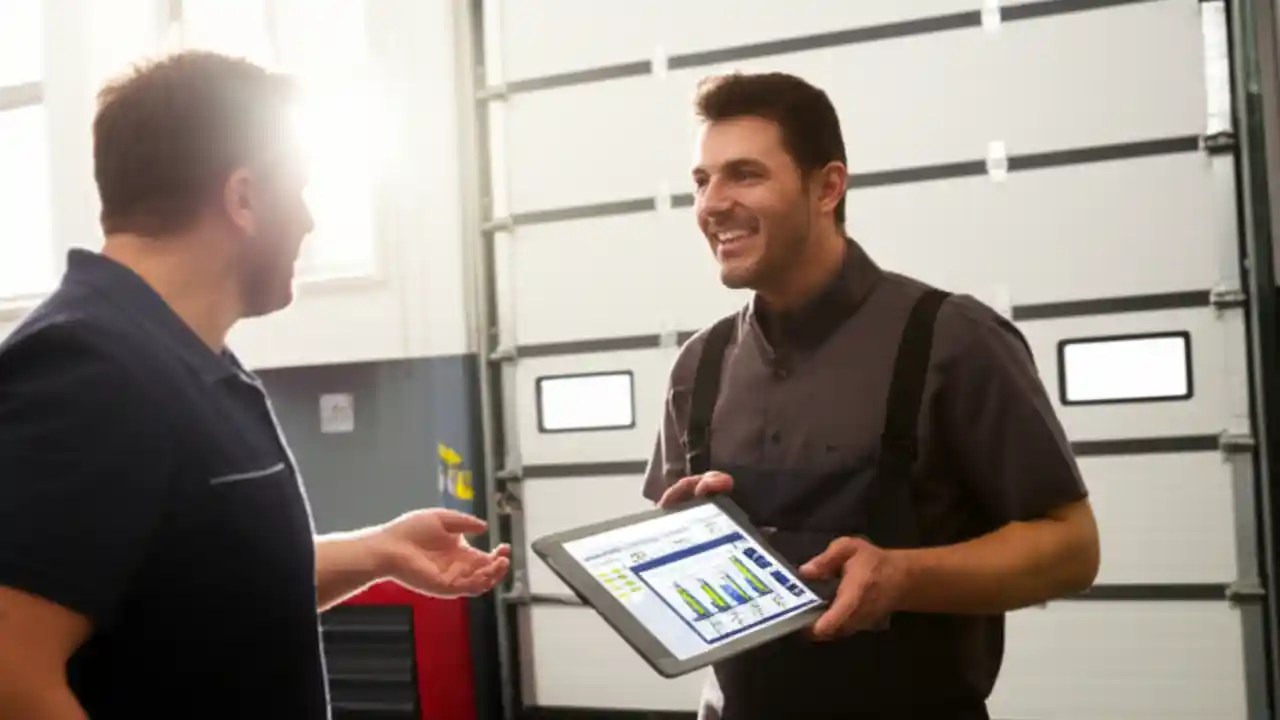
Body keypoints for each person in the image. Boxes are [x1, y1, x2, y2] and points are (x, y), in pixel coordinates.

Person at [0, 51, 509, 719]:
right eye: (297, 189)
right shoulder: (87, 367)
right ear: (242, 197)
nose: (307, 221)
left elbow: (202, 584)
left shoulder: (187, 359)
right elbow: (11, 671)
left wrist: (378, 550)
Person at [643, 72, 1101, 719]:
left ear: (827, 186)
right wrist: (683, 540)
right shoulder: (701, 365)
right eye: (701, 180)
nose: (712, 204)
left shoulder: (951, 341)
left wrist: (904, 577)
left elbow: (1073, 548)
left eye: (744, 174)